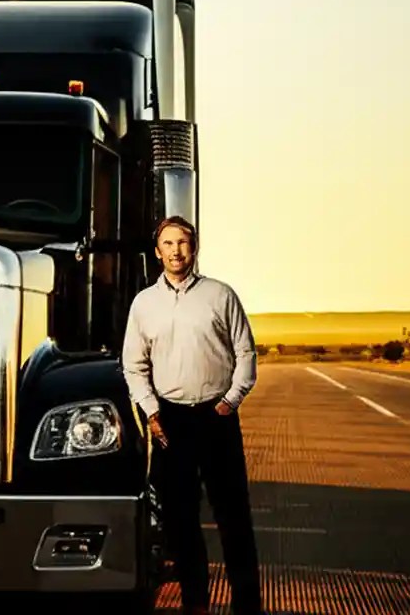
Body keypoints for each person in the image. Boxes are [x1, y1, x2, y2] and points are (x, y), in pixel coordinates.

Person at [121, 215, 263, 615]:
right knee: (180, 522)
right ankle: (195, 605)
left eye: (182, 242)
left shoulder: (220, 295)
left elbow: (246, 353)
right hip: (170, 423)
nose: (176, 251)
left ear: (194, 247)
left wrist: (230, 401)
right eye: (168, 243)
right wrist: (150, 412)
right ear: (157, 251)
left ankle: (248, 606)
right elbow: (133, 365)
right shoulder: (144, 304)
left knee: (233, 516)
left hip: (216, 418)